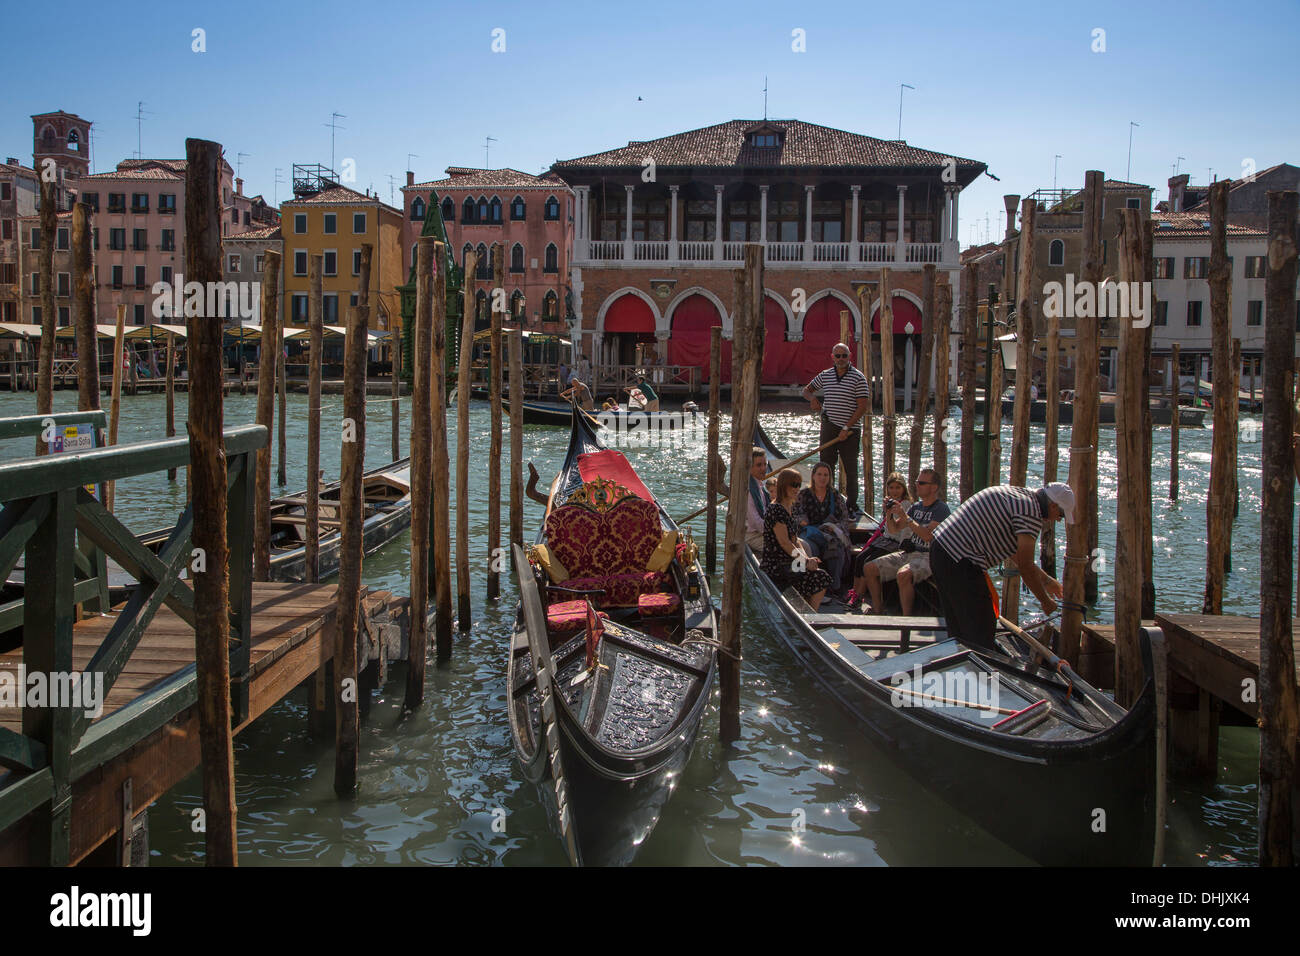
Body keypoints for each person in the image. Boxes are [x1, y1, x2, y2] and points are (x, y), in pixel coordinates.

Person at [929, 481, 1073, 652]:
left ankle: (958, 667)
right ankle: (975, 673)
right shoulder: (1031, 515)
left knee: (960, 626)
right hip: (960, 559)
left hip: (940, 549)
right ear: (1053, 505)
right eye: (1061, 514)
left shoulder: (1017, 496)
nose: (1057, 519)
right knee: (981, 629)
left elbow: (1013, 552)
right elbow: (1025, 567)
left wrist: (1046, 580)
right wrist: (1045, 601)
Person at [858, 468, 950, 615]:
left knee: (903, 575)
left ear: (934, 487)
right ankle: (878, 609)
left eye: (921, 483)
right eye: (916, 482)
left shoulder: (941, 509)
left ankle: (906, 620)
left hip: (928, 556)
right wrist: (889, 514)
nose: (917, 486)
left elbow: (927, 536)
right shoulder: (915, 507)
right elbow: (894, 529)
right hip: (909, 553)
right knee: (869, 568)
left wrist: (905, 516)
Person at [801, 343, 869, 517]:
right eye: (837, 356)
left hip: (851, 430)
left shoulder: (858, 378)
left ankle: (851, 506)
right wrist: (813, 399)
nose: (841, 359)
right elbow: (806, 390)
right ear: (832, 357)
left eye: (844, 356)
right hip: (829, 426)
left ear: (849, 356)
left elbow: (862, 407)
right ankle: (827, 502)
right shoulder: (826, 375)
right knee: (826, 467)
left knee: (850, 469)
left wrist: (846, 427)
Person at [761, 468, 834, 610]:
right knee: (819, 577)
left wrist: (807, 559)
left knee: (820, 575)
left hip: (790, 560)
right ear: (784, 486)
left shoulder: (791, 508)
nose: (797, 488)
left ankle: (810, 613)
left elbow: (795, 540)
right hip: (777, 564)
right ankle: (809, 615)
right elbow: (784, 542)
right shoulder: (775, 509)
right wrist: (804, 561)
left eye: (799, 485)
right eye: (793, 485)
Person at [792, 462, 853, 595]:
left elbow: (844, 518)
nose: (822, 478)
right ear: (813, 476)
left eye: (826, 475)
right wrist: (802, 521)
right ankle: (812, 586)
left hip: (828, 533)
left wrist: (835, 527)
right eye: (819, 474)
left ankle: (834, 586)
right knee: (808, 547)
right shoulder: (804, 494)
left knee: (836, 548)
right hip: (809, 532)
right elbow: (794, 515)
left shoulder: (835, 495)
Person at [744, 447, 770, 550]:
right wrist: (776, 530)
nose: (763, 468)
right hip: (751, 536)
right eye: (759, 465)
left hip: (762, 532)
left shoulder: (760, 486)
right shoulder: (748, 490)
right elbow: (755, 522)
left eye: (765, 464)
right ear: (750, 468)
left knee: (802, 545)